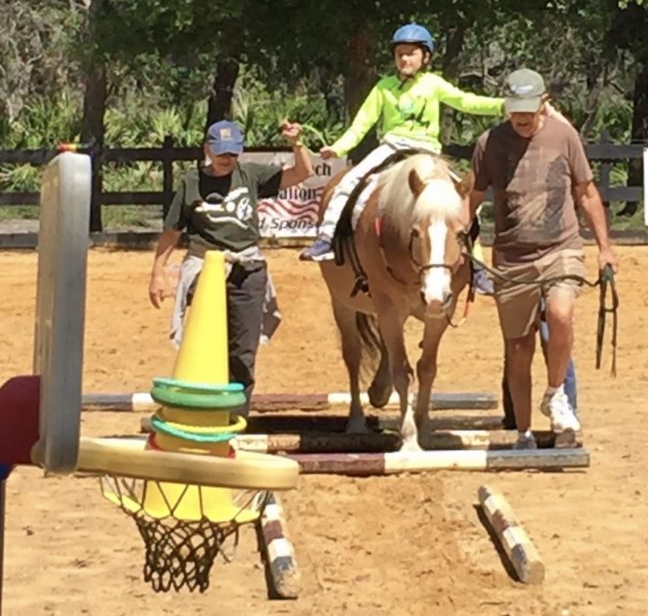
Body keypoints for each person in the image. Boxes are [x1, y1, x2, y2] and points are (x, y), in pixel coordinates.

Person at [469, 68, 618, 449]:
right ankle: (523, 432)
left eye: (528, 108)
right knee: (519, 349)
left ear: (543, 102)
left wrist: (605, 248)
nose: (521, 117)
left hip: (560, 247)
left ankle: (555, 393)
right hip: (512, 257)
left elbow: (586, 193)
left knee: (560, 313)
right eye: (514, 108)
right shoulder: (489, 144)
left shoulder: (564, 136)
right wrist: (458, 238)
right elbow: (473, 197)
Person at [299, 22, 506, 262]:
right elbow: (361, 124)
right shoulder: (383, 87)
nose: (405, 59)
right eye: (400, 54)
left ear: (425, 57)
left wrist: (502, 106)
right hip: (392, 147)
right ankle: (326, 239)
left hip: (427, 150)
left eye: (411, 53)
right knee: (348, 182)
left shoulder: (434, 84)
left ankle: (475, 263)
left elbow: (466, 101)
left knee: (466, 200)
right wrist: (338, 148)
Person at [148, 119, 312, 409]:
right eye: (221, 151)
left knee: (243, 350)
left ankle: (237, 414)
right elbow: (172, 231)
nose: (227, 158)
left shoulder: (251, 175)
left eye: (232, 152)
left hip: (247, 267)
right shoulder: (191, 183)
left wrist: (296, 144)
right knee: (205, 341)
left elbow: (302, 173)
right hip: (205, 267)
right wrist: (157, 273)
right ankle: (201, 406)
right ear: (207, 149)